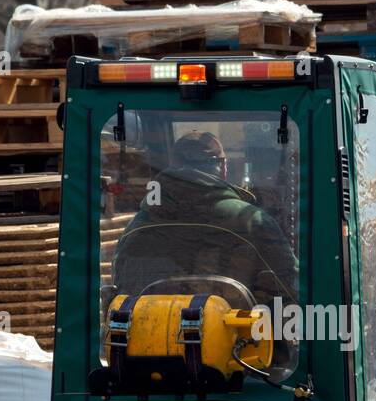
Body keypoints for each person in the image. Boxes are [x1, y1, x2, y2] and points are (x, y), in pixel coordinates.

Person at [112, 131, 298, 306]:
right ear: (224, 168)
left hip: (146, 337)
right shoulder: (252, 222)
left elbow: (120, 290)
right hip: (240, 339)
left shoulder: (137, 227)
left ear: (172, 167)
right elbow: (293, 288)